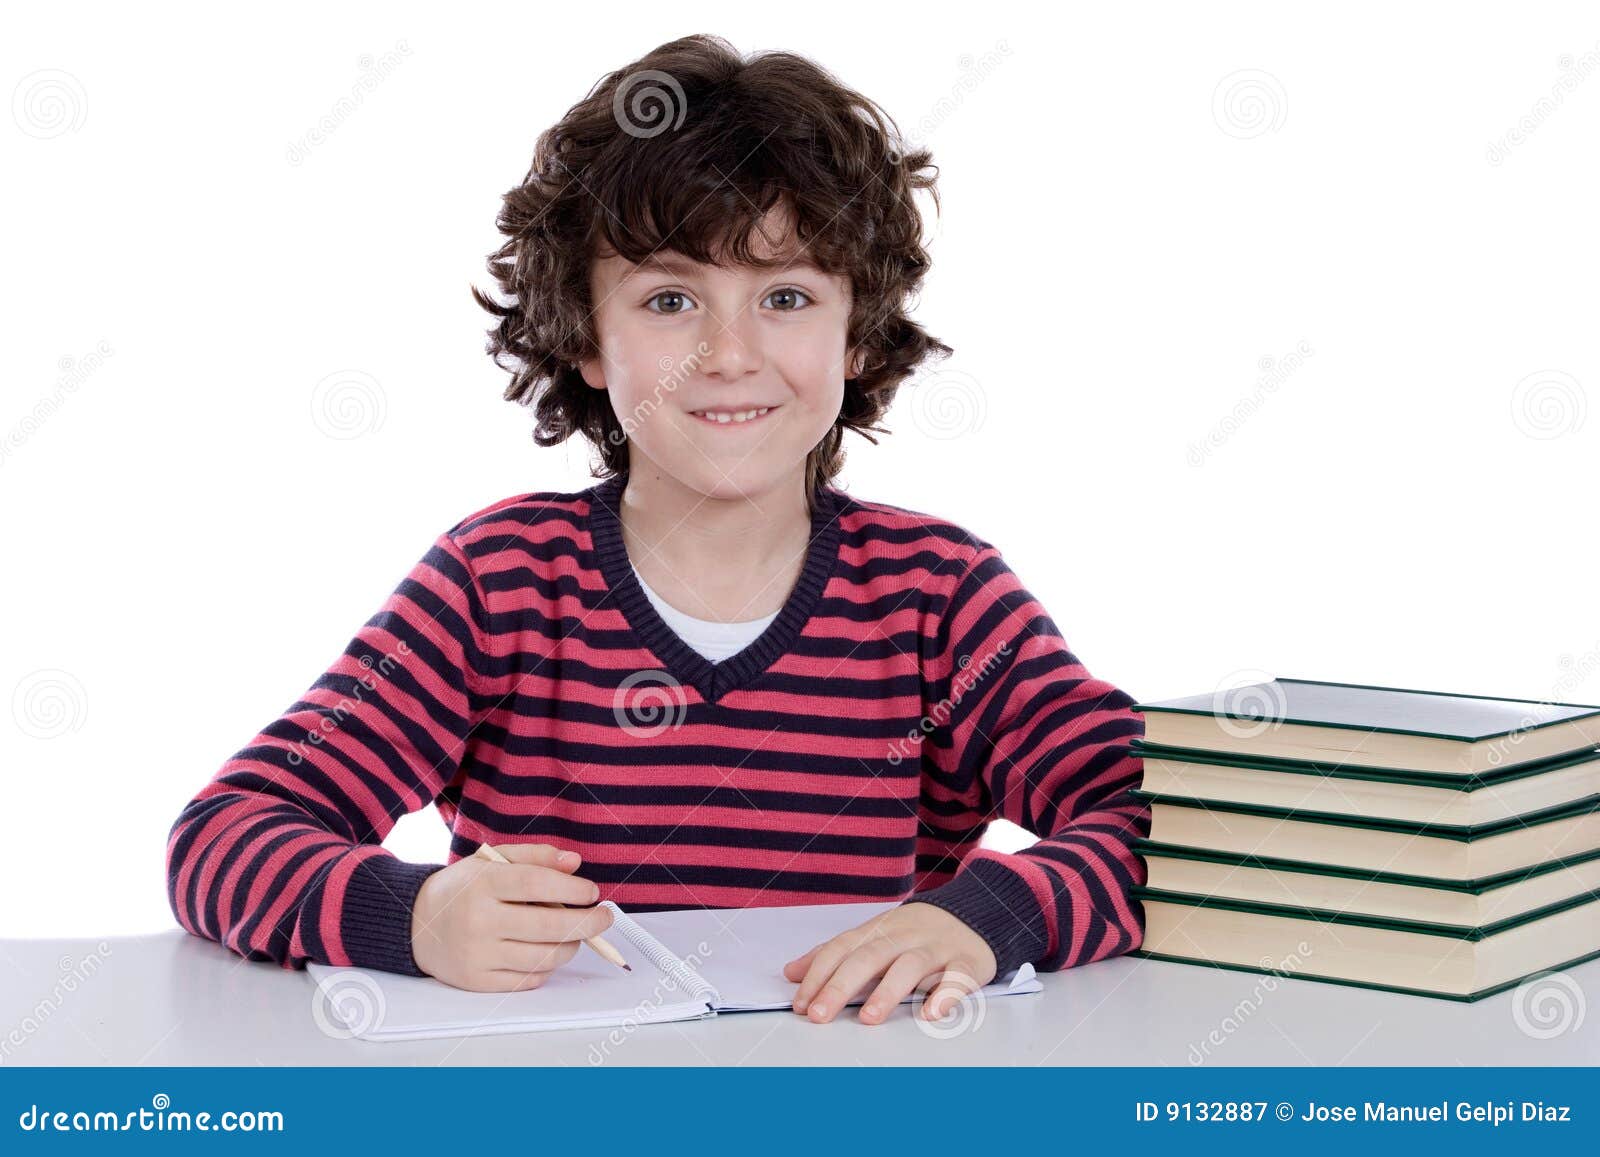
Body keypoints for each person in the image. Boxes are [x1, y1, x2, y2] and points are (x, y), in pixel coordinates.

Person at [166, 33, 1149, 1027]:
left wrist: (987, 915)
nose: (729, 353)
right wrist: (413, 914)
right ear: (586, 336)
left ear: (855, 333)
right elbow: (223, 836)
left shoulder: (940, 597)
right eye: (671, 299)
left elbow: (1181, 828)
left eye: (787, 296)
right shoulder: (499, 583)